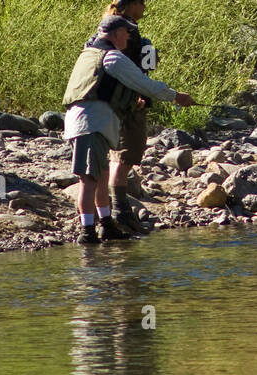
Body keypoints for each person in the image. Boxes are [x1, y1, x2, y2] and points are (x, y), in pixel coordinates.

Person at [63, 15, 195, 245]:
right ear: (114, 34)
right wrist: (177, 97)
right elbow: (144, 84)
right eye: (126, 31)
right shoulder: (112, 57)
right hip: (89, 124)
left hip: (91, 123)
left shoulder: (89, 53)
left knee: (102, 176)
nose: (129, 35)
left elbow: (105, 89)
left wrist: (133, 101)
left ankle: (106, 225)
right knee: (89, 180)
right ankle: (87, 232)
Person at [90, 0, 162, 236]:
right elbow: (129, 70)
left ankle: (112, 215)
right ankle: (121, 213)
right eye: (141, 2)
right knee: (124, 156)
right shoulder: (125, 30)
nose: (144, 6)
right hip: (128, 103)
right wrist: (139, 95)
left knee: (115, 158)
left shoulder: (109, 25)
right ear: (131, 4)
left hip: (112, 103)